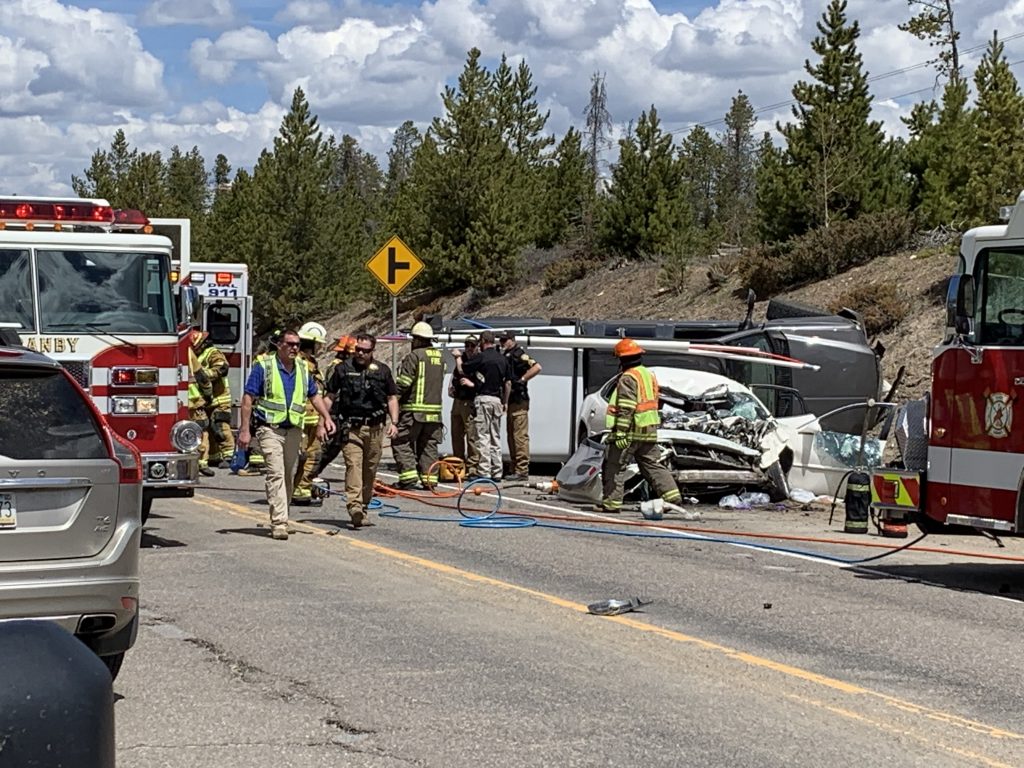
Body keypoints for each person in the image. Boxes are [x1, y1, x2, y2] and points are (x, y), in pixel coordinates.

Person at [238, 329, 335, 540]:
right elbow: (248, 399)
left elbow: (314, 396)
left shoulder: (302, 367)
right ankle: (279, 522)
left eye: (297, 344)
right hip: (270, 428)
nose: (294, 348)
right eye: (290, 344)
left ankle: (284, 515)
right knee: (276, 473)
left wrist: (326, 417)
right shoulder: (264, 366)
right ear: (279, 345)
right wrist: (245, 430)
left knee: (289, 474)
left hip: (293, 430)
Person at [324, 333, 399, 528]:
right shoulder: (342, 369)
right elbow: (330, 395)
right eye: (358, 349)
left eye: (365, 351)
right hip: (351, 428)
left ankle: (363, 506)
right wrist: (323, 419)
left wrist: (395, 422)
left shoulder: (382, 371)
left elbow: (392, 398)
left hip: (375, 428)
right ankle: (354, 506)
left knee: (370, 468)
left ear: (372, 351)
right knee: (353, 465)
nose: (360, 353)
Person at [598, 338, 682, 513]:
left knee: (615, 466)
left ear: (622, 359)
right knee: (652, 464)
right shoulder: (648, 375)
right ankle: (672, 497)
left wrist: (621, 432)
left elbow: (627, 407)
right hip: (648, 430)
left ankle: (611, 504)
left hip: (630, 431)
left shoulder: (628, 378)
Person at [392, 322, 446, 489]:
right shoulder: (440, 357)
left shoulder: (415, 356)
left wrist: (392, 399)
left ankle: (408, 476)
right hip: (434, 413)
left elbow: (403, 383)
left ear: (417, 339)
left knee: (401, 441)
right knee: (428, 445)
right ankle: (430, 479)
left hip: (413, 410)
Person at [453, 330, 510, 482]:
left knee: (483, 436)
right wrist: (505, 402)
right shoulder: (502, 359)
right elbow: (508, 383)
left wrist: (458, 357)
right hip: (497, 400)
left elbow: (462, 370)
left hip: (483, 398)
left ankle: (484, 471)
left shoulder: (481, 358)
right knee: (496, 436)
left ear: (483, 341)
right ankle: (497, 471)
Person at [291, 321, 328, 506]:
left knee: (313, 456)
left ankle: (301, 489)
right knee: (301, 456)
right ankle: (295, 489)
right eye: (318, 344)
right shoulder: (297, 363)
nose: (320, 348)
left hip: (313, 420)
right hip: (300, 419)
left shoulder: (310, 363)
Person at [312, 335, 356, 479]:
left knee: (335, 446)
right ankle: (309, 473)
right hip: (332, 411)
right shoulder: (337, 367)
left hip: (341, 411)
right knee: (326, 445)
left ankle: (313, 472)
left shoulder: (347, 366)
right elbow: (331, 392)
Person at [500, 331, 542, 481]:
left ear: (512, 340)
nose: (502, 343)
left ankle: (522, 470)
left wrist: (523, 379)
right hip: (511, 401)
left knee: (519, 437)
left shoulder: (519, 354)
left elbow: (537, 367)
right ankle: (514, 467)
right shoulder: (507, 355)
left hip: (519, 400)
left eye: (505, 340)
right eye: (501, 340)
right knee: (511, 435)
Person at [192, 329, 235, 468]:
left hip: (220, 398)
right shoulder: (198, 356)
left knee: (220, 427)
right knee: (209, 429)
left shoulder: (213, 353)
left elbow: (222, 368)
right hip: (208, 399)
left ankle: (229, 456)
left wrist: (204, 375)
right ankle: (214, 457)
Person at [449, 335, 479, 474]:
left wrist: (471, 384)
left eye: (472, 346)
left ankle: (473, 464)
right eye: (467, 346)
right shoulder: (463, 359)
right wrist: (452, 386)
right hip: (458, 400)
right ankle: (458, 462)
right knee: (456, 433)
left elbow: (464, 371)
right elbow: (457, 374)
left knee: (471, 434)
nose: (469, 349)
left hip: (470, 400)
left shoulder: (478, 360)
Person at [186, 333, 214, 478]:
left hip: (177, 402)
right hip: (194, 400)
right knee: (202, 429)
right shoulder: (188, 351)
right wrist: (208, 394)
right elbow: (201, 376)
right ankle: (202, 462)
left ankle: (188, 462)